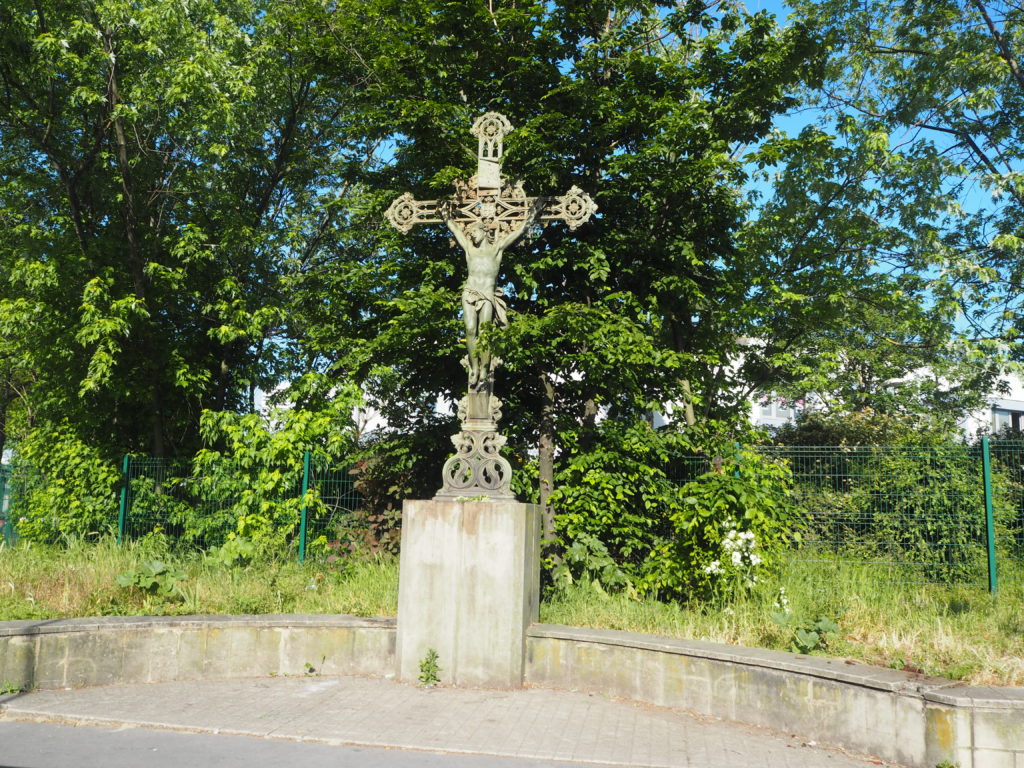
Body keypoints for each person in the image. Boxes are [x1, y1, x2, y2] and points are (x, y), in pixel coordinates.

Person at [445, 197, 543, 391]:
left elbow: (517, 232)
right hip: (470, 292)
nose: (471, 235)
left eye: (474, 231)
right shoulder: (469, 250)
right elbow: (456, 230)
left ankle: (484, 369)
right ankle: (474, 367)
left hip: (487, 295)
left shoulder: (496, 249)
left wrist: (532, 214)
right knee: (470, 330)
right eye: (471, 232)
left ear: (483, 232)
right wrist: (446, 216)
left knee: (485, 333)